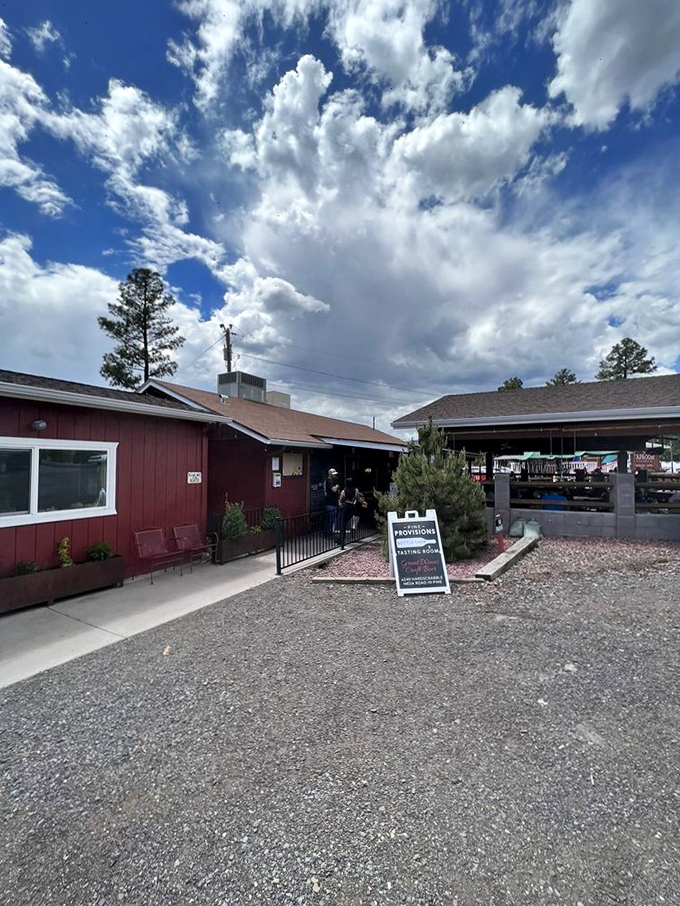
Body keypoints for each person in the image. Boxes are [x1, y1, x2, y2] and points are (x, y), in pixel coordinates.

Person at [338, 478, 366, 548]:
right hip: (352, 507)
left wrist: (340, 504)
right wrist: (363, 502)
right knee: (346, 521)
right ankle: (342, 539)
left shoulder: (344, 490)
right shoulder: (355, 490)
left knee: (343, 523)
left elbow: (341, 499)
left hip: (346, 507)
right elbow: (358, 498)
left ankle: (342, 539)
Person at [324, 468, 340, 535]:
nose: (335, 476)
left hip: (332, 502)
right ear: (330, 475)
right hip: (330, 503)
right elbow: (334, 490)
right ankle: (329, 531)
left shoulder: (333, 481)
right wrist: (337, 486)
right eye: (333, 475)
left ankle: (329, 530)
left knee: (331, 518)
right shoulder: (329, 481)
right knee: (330, 518)